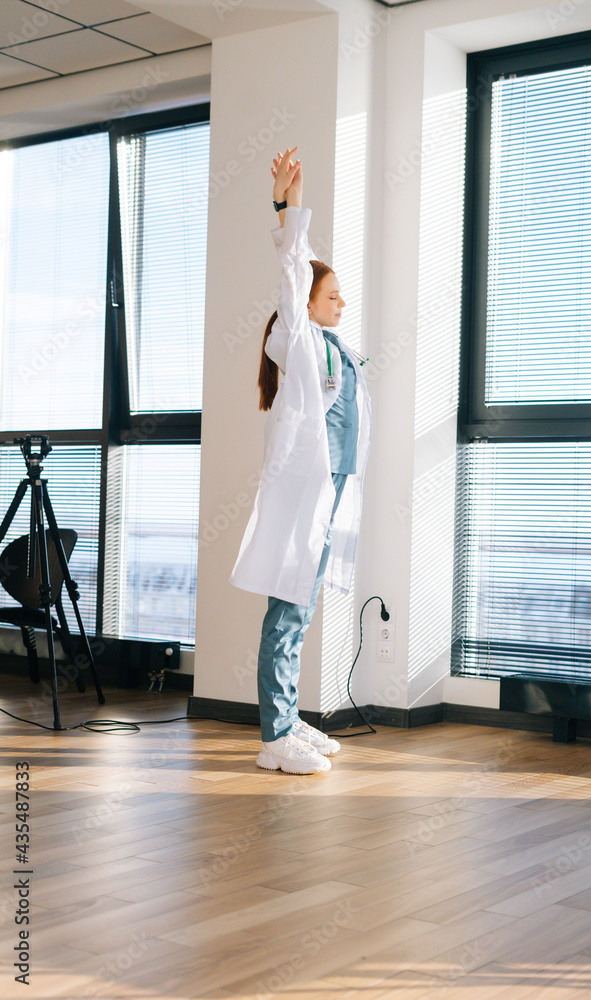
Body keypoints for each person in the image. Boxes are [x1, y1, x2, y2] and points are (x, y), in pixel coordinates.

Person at [230, 147, 372, 774]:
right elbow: (292, 267)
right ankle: (273, 736)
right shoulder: (298, 335)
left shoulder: (333, 345)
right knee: (288, 607)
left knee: (304, 605)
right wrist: (287, 205)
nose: (342, 303)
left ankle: (288, 719)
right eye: (333, 295)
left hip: (334, 489)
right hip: (305, 490)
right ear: (307, 302)